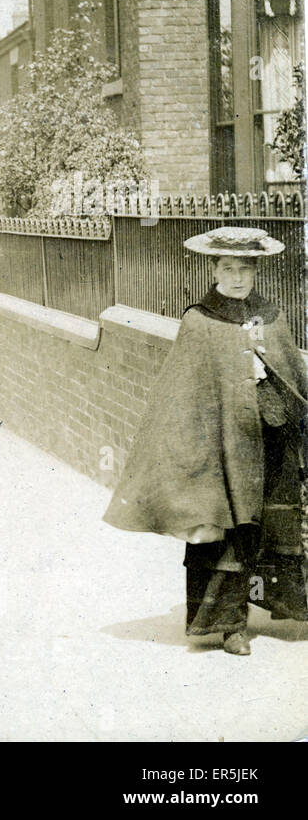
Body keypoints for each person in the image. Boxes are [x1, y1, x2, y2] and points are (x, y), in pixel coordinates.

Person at [104, 226, 307, 656]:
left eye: (246, 270)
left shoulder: (271, 314)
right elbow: (183, 393)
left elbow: (292, 377)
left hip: (270, 438)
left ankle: (272, 605)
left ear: (255, 273)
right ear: (214, 269)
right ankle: (229, 625)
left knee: (268, 524)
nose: (237, 278)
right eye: (229, 268)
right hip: (223, 447)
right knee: (226, 531)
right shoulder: (199, 320)